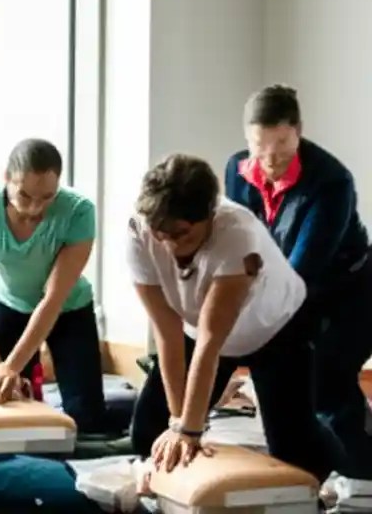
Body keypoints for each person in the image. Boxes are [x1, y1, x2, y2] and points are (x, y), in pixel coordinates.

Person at [126, 153, 340, 481]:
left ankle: (345, 456)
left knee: (294, 449)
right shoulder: (139, 229)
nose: (170, 246)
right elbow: (167, 332)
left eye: (182, 234)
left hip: (276, 326)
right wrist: (178, 422)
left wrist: (190, 430)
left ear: (209, 216)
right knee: (149, 430)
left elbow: (211, 341)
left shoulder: (237, 234)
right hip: (197, 326)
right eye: (161, 234)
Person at [224, 84, 372, 480]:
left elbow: (303, 267)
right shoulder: (236, 169)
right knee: (293, 383)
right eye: (260, 146)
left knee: (328, 379)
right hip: (289, 287)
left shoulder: (331, 181)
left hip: (349, 290)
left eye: (282, 144)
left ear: (299, 132)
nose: (270, 158)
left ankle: (360, 475)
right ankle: (313, 468)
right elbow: (238, 240)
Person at [0, 138, 107, 431]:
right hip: (6, 305)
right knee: (4, 406)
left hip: (68, 310)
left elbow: (53, 298)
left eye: (47, 197)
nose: (35, 207)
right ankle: (33, 387)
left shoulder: (79, 211)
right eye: (25, 195)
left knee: (87, 420)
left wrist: (11, 367)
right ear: (6, 178)